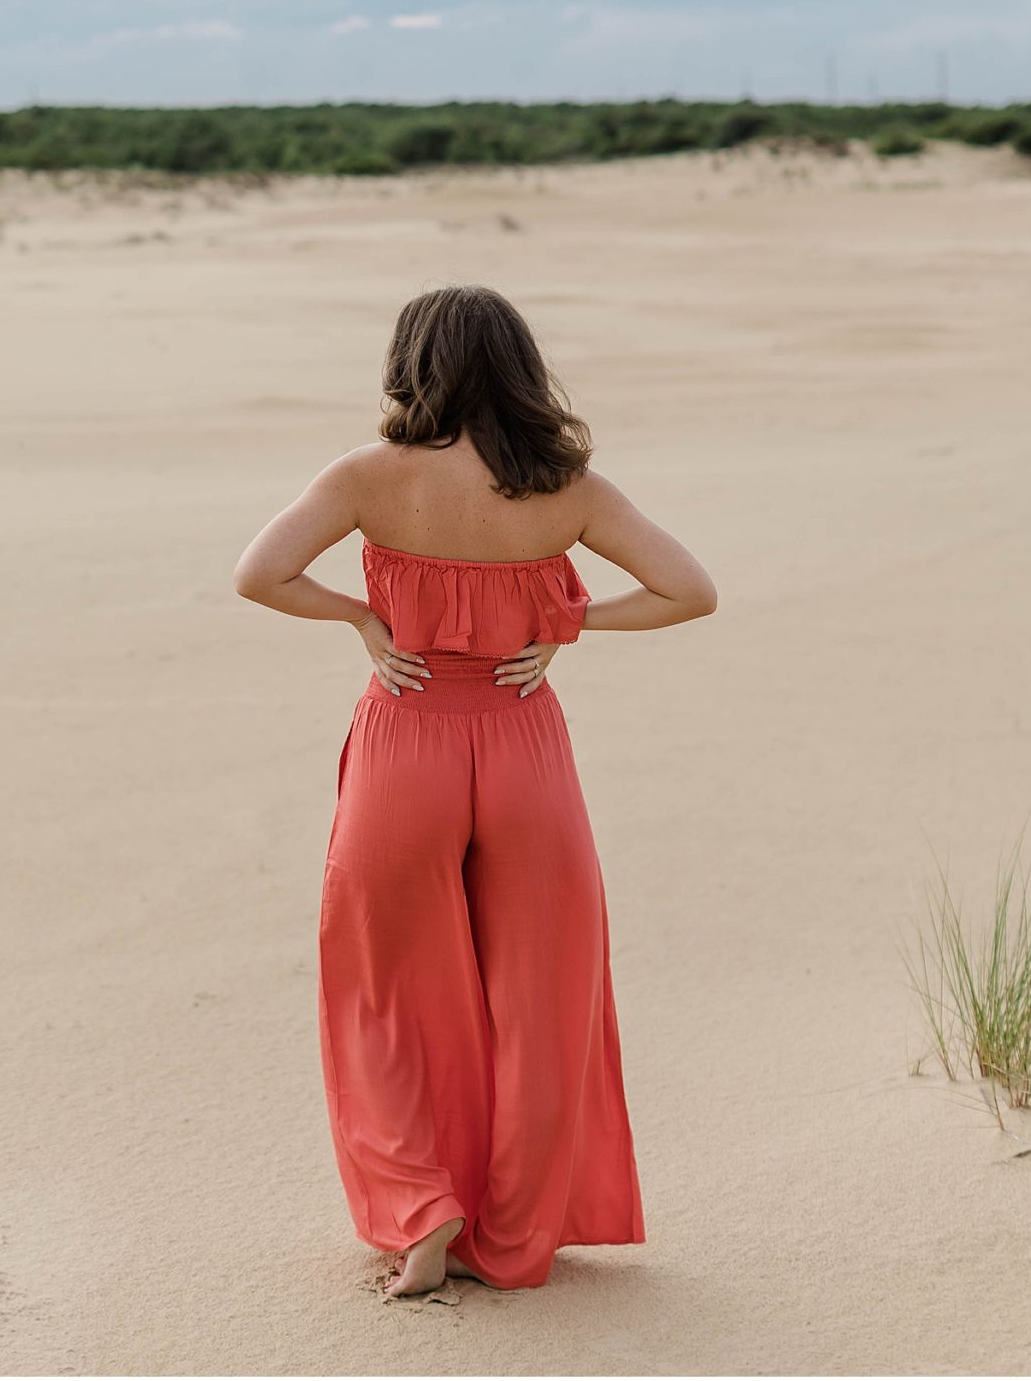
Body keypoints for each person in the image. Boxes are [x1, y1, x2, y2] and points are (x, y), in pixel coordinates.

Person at [233, 283, 717, 1295]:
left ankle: (423, 1211)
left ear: (415, 363)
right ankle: (515, 1235)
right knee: (544, 990)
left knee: (387, 986)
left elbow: (259, 572)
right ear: (518, 365)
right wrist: (564, 628)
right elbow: (689, 588)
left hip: (405, 737)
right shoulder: (566, 483)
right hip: (522, 743)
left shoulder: (369, 474)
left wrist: (363, 618)